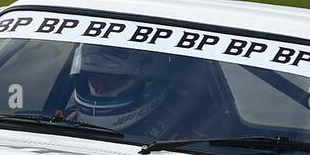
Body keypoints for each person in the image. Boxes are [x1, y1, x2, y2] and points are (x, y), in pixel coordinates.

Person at [60, 44, 219, 141]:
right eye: (93, 78)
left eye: (113, 81)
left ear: (149, 85)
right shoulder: (59, 122)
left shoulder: (186, 141)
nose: (100, 88)